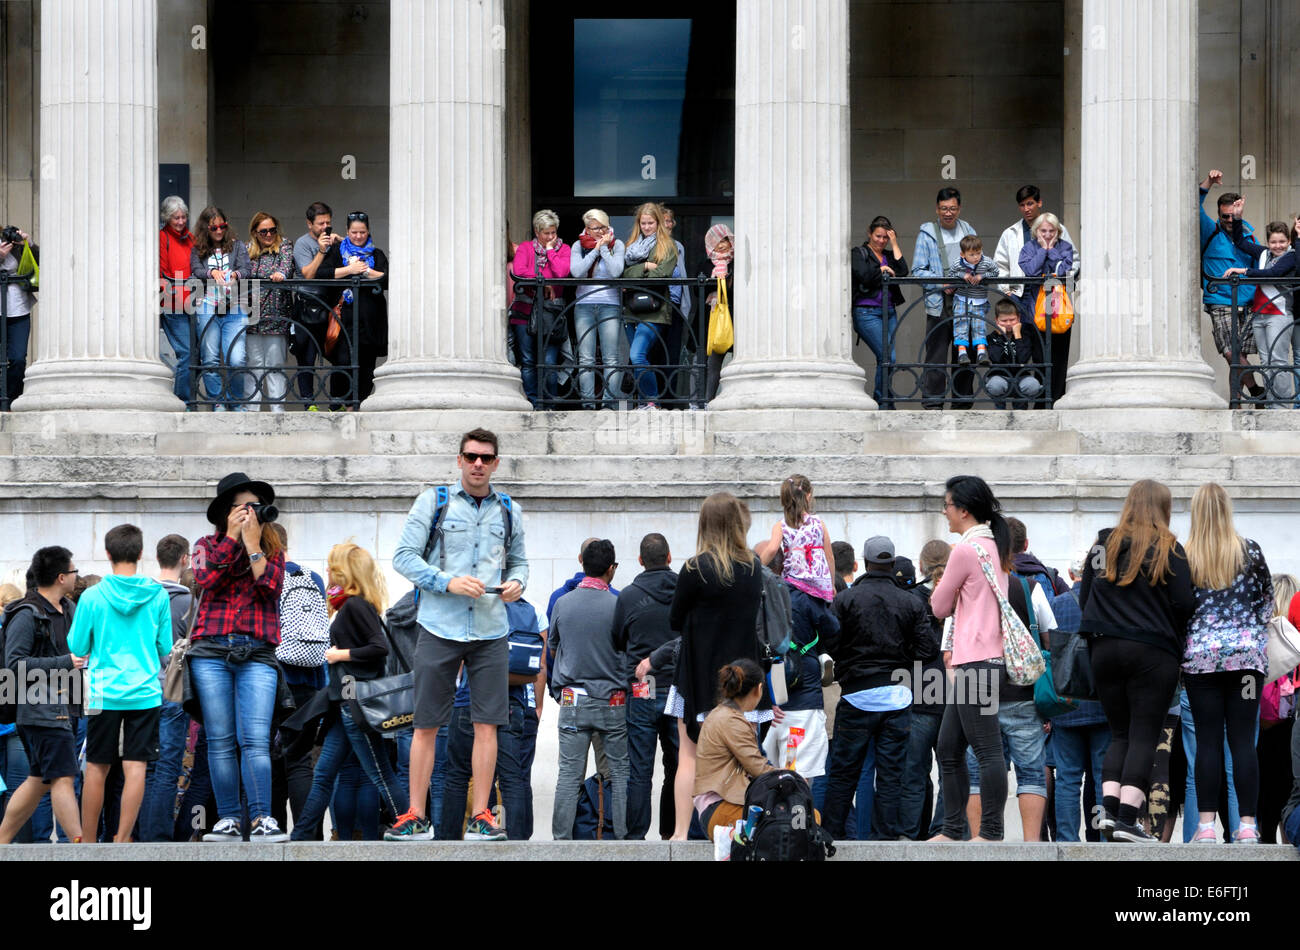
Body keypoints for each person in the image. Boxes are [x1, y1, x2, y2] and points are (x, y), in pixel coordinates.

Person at [388, 428, 529, 841]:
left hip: (489, 628)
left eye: (486, 457)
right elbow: (403, 557)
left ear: (496, 463)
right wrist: (446, 581)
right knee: (426, 723)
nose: (478, 464)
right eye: (471, 456)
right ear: (459, 460)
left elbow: (519, 561)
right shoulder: (435, 501)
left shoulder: (509, 509)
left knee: (488, 724)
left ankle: (481, 814)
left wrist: (518, 583)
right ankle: (415, 813)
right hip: (439, 625)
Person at [1078, 478, 1195, 843]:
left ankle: (1110, 815)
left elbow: (1085, 596)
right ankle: (1129, 819)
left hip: (1104, 650)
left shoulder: (1103, 544)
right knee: (1145, 735)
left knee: (1119, 735)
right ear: (1163, 508)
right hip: (1152, 651)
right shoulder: (1168, 547)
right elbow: (1185, 603)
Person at [188, 472, 288, 841]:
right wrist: (232, 539)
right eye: (241, 508)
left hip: (258, 652)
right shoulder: (204, 544)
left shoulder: (272, 548)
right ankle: (228, 818)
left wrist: (253, 545)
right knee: (219, 740)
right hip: (211, 650)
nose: (249, 513)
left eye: (254, 507)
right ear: (225, 513)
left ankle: (263, 817)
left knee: (256, 739)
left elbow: (271, 586)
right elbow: (207, 578)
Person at [289, 543, 409, 840]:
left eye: (332, 565)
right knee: (324, 775)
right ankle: (302, 835)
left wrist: (339, 655)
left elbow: (378, 648)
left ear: (346, 570)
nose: (327, 571)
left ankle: (410, 824)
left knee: (379, 773)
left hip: (354, 704)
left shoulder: (355, 605)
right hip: (346, 703)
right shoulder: (352, 604)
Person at [664, 492, 766, 839]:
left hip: (698, 672)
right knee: (742, 757)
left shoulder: (695, 569)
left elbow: (675, 619)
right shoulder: (753, 568)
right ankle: (741, 830)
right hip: (742, 676)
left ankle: (680, 832)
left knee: (688, 756)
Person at [824, 535, 936, 840]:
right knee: (891, 776)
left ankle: (832, 836)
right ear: (890, 562)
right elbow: (928, 651)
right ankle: (884, 840)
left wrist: (848, 660)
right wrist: (902, 658)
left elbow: (830, 642)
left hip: (855, 695)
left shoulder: (845, 599)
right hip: (896, 697)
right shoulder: (911, 602)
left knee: (843, 773)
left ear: (866, 562)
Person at [67, 525, 172, 842]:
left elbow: (78, 646)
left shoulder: (92, 596)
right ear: (141, 554)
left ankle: (87, 839)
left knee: (97, 766)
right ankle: (123, 838)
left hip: (101, 691)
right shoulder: (158, 595)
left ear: (108, 554)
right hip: (144, 692)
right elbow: (165, 648)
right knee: (136, 766)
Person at [1182, 483, 1272, 843]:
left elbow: (1179, 607)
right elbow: (1265, 601)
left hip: (1201, 660)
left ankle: (1205, 826)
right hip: (1247, 660)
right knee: (1242, 742)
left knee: (1206, 741)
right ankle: (1247, 824)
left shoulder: (1185, 556)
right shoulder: (1249, 550)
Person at [929, 475, 1013, 842]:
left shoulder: (965, 550)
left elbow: (938, 606)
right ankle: (951, 829)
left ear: (963, 510)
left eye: (947, 505)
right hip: (981, 659)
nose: (945, 512)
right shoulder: (993, 545)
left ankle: (991, 831)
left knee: (986, 748)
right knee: (949, 747)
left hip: (975, 659)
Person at [756, 475, 838, 787]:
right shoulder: (819, 523)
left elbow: (774, 548)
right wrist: (829, 588)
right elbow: (828, 555)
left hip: (791, 586)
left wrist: (755, 569)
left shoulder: (780, 526)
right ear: (810, 495)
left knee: (781, 654)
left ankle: (778, 697)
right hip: (815, 590)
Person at [0, 548, 84, 844]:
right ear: (61, 577)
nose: (77, 576)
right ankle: (79, 846)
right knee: (63, 777)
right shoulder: (27, 614)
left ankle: (2, 841)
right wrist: (64, 662)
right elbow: (14, 666)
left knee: (39, 781)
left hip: (66, 708)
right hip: (41, 711)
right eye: (73, 572)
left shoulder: (70, 609)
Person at [549, 539, 630, 839]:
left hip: (573, 700)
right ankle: (623, 841)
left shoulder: (562, 603)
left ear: (581, 563)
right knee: (620, 773)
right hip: (613, 700)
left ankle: (561, 842)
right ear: (611, 569)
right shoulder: (618, 605)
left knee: (569, 775)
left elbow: (554, 647)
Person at [615, 532, 680, 840]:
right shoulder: (685, 590)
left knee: (639, 769)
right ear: (669, 557)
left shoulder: (628, 595)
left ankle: (636, 836)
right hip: (678, 687)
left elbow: (617, 639)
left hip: (641, 688)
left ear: (640, 561)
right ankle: (672, 832)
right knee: (678, 765)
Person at [266, 522, 328, 838]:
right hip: (309, 681)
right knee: (300, 761)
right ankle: (309, 837)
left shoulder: (266, 578)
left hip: (273, 679)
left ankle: (273, 833)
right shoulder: (312, 577)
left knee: (271, 763)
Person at [1046, 557, 1111, 842]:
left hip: (1067, 704)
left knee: (1068, 779)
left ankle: (1066, 840)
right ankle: (1105, 841)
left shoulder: (1057, 605)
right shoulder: (1108, 605)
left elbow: (1048, 652)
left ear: (1071, 574)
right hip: (1102, 703)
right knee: (1102, 778)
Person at [139, 533, 195, 842]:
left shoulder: (140, 597)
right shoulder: (188, 602)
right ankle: (156, 836)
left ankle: (134, 833)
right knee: (167, 765)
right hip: (172, 690)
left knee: (141, 766)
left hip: (139, 691)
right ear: (185, 559)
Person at [1222, 200, 1300, 406]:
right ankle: (1271, 404)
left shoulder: (1291, 257)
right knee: (1266, 363)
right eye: (1274, 242)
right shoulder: (1264, 253)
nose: (1278, 246)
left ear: (1288, 242)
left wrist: (1244, 271)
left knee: (1279, 361)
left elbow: (1272, 274)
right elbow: (1240, 242)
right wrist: (1237, 217)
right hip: (1259, 314)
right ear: (1268, 242)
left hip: (1280, 315)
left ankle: (1282, 407)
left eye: (1282, 241)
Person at [898, 539, 951, 840]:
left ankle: (909, 833)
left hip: (917, 693)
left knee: (913, 773)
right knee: (950, 772)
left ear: (920, 566)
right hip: (957, 693)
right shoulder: (960, 598)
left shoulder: (908, 599)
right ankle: (943, 830)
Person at [693, 659, 776, 840]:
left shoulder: (720, 713)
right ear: (758, 689)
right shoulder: (732, 721)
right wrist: (791, 777)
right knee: (803, 819)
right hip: (721, 807)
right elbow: (759, 769)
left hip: (716, 804)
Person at [1198, 169, 1263, 399]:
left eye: (1232, 216)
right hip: (1220, 301)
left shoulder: (1250, 238)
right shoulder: (1210, 232)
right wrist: (1209, 182)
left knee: (1237, 357)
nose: (1228, 220)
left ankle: (1236, 402)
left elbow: (1262, 268)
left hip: (1247, 303)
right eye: (1224, 216)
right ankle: (1257, 390)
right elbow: (1193, 205)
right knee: (1230, 352)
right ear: (1219, 214)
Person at [914, 188, 978, 409]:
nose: (948, 213)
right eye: (943, 208)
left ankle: (962, 405)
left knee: (965, 354)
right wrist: (941, 283)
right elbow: (918, 271)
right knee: (936, 356)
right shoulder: (927, 233)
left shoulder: (968, 230)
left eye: (952, 208)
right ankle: (933, 405)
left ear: (959, 209)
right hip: (938, 305)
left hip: (966, 303)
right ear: (936, 209)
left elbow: (978, 262)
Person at [191, 206, 252, 411]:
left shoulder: (237, 245)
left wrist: (235, 275)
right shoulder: (198, 247)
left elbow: (247, 269)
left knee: (236, 359)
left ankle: (236, 403)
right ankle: (217, 401)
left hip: (235, 307)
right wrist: (211, 273)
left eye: (222, 226)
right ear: (205, 228)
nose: (219, 231)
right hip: (208, 306)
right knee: (210, 360)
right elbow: (196, 269)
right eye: (214, 228)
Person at [508, 210, 570, 407]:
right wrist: (542, 283)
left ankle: (549, 404)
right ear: (537, 231)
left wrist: (551, 252)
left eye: (553, 232)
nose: (551, 237)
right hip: (524, 312)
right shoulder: (526, 248)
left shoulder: (564, 249)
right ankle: (534, 403)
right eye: (546, 233)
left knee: (550, 362)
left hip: (551, 314)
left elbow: (561, 272)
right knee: (528, 361)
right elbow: (519, 271)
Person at [622, 203, 679, 410]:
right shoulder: (631, 246)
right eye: (643, 223)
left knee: (638, 355)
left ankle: (652, 402)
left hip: (656, 311)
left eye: (651, 223)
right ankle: (646, 401)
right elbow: (622, 275)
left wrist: (634, 275)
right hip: (630, 311)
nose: (646, 227)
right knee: (639, 358)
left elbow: (662, 276)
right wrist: (645, 266)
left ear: (658, 223)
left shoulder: (668, 246)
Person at [994, 185, 1077, 326]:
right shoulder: (1010, 233)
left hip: (1052, 293)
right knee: (1025, 342)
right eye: (1022, 205)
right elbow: (1000, 265)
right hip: (1020, 295)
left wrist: (1065, 285)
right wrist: (1006, 291)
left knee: (1054, 339)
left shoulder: (1059, 229)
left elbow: (1073, 260)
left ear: (1039, 203)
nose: (1026, 209)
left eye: (1030, 203)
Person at [569, 209, 627, 409]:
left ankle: (608, 404)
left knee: (611, 356)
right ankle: (588, 404)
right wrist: (594, 250)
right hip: (583, 306)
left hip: (610, 305)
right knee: (586, 358)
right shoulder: (578, 245)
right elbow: (576, 272)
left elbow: (616, 271)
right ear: (587, 228)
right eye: (595, 228)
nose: (600, 232)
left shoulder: (617, 244)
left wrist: (603, 248)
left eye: (603, 227)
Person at [290, 201, 346, 408]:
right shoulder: (302, 244)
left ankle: (336, 402)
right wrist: (321, 251)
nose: (325, 227)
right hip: (307, 308)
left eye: (328, 223)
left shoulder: (334, 242)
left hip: (330, 308)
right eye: (320, 223)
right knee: (306, 360)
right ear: (309, 224)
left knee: (340, 356)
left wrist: (342, 242)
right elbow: (308, 274)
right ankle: (308, 404)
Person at [1017, 212, 1076, 403]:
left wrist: (1052, 252)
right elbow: (1030, 270)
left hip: (1059, 311)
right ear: (1036, 231)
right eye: (1043, 231)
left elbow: (1063, 272)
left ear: (1058, 232)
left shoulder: (1066, 248)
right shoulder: (1028, 248)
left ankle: (1056, 400)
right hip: (1035, 311)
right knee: (1040, 358)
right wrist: (1043, 250)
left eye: (1052, 231)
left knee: (1059, 359)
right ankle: (1042, 402)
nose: (1048, 234)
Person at [851, 216, 908, 409]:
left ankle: (884, 399)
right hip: (866, 312)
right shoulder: (859, 253)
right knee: (887, 357)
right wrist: (882, 269)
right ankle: (882, 400)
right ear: (869, 233)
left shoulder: (889, 255)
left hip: (889, 312)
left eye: (886, 237)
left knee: (885, 358)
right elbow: (864, 276)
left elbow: (903, 271)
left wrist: (895, 243)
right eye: (878, 236)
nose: (881, 240)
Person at [242, 212, 298, 412]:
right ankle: (251, 410)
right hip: (252, 316)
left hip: (276, 314)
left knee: (275, 364)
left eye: (272, 230)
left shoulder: (284, 245)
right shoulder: (247, 250)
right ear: (255, 233)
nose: (268, 234)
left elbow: (286, 266)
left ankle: (277, 411)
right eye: (263, 231)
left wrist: (281, 274)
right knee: (254, 364)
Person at [1258, 574, 1299, 843]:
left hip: (1264, 725)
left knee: (1265, 789)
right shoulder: (1294, 639)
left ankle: (1262, 839)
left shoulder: (1265, 634)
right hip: (1291, 723)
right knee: (1290, 788)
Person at [332, 211, 388, 401]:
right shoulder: (337, 251)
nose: (358, 236)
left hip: (370, 319)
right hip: (344, 318)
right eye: (354, 232)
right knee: (342, 362)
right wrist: (349, 269)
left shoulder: (376, 254)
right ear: (347, 231)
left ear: (368, 231)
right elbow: (323, 274)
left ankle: (358, 405)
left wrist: (366, 271)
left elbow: (387, 278)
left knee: (367, 365)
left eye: (362, 232)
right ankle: (343, 403)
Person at [159, 196, 195, 403]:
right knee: (187, 354)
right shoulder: (162, 237)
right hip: (172, 304)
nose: (181, 221)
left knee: (196, 356)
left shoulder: (191, 238)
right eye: (176, 218)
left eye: (183, 217)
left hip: (193, 301)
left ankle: (191, 399)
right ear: (167, 218)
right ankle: (183, 402)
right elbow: (162, 271)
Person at [946, 235, 1001, 366]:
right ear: (963, 254)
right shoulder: (957, 263)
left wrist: (982, 276)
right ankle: (962, 354)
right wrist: (962, 275)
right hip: (961, 299)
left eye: (978, 253)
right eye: (972, 254)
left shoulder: (987, 262)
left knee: (979, 326)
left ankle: (981, 353)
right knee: (960, 325)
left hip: (979, 300)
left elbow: (996, 271)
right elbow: (950, 274)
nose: (976, 257)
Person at [0, 225, 37, 405]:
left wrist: (28, 243)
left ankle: (11, 400)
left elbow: (38, 264)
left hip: (18, 308)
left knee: (17, 359)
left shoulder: (16, 246)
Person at [985, 299, 1045, 409]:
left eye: (1012, 320)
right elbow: (996, 358)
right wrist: (1000, 337)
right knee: (995, 385)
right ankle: (1000, 410)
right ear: (997, 321)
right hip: (999, 376)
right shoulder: (991, 338)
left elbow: (1023, 359)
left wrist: (1017, 335)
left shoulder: (1024, 336)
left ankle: (1020, 410)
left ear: (1019, 319)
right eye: (1004, 320)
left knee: (1033, 385)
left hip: (1021, 377)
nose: (1008, 324)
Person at [660, 206, 692, 404]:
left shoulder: (679, 246)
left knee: (672, 354)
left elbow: (682, 277)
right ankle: (654, 399)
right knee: (655, 352)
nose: (668, 225)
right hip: (657, 306)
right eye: (663, 221)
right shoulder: (650, 245)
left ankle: (669, 400)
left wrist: (685, 307)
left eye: (670, 221)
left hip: (676, 305)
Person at [703, 224, 734, 404]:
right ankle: (708, 401)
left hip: (739, 318)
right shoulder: (706, 264)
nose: (722, 245)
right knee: (713, 363)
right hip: (716, 319)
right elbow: (699, 291)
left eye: (725, 240)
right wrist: (716, 279)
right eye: (717, 241)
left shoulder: (738, 262)